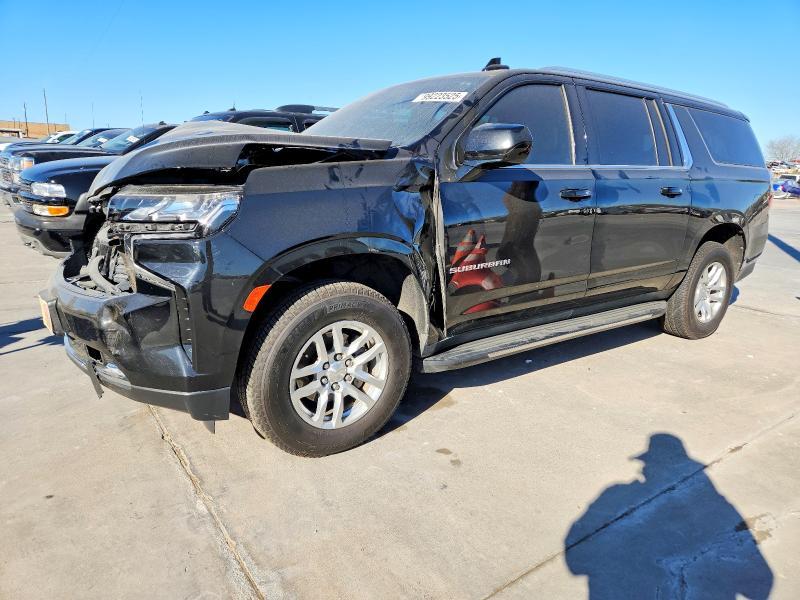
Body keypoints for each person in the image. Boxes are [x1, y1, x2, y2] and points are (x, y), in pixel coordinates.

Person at [565, 433, 773, 599]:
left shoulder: (615, 494)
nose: (644, 467)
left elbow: (575, 556)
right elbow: (760, 584)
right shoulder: (720, 508)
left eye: (649, 462)